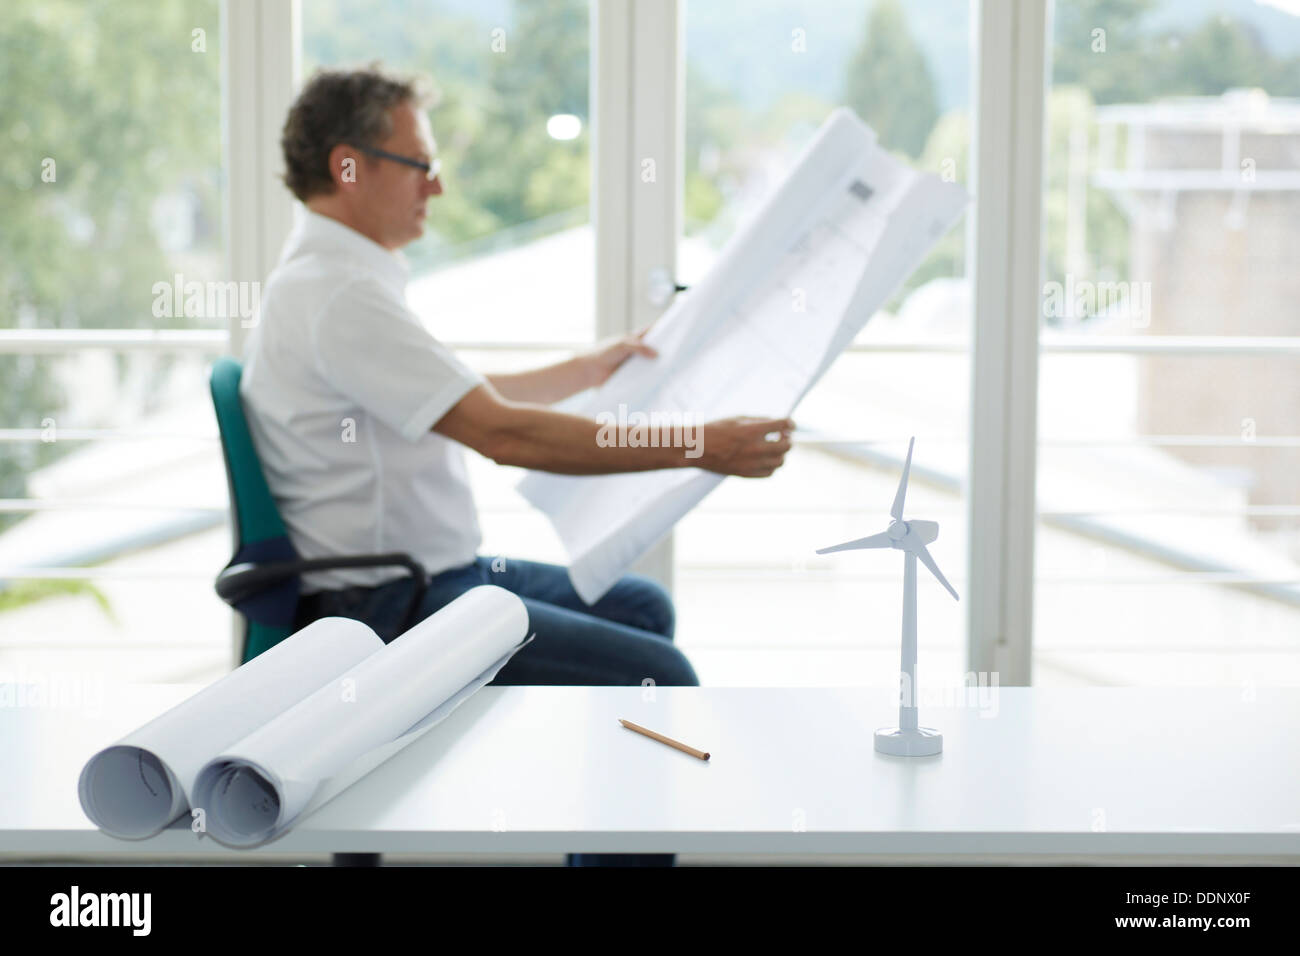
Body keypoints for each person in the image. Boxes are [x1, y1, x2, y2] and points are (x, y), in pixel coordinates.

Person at [239, 65, 793, 867]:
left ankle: (592, 843)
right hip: (389, 603)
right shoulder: (338, 296)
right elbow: (505, 436)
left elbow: (460, 396)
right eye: (420, 163)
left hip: (424, 575)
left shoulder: (341, 281)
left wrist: (586, 371)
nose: (437, 184)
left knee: (637, 606)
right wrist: (704, 443)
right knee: (657, 673)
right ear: (347, 166)